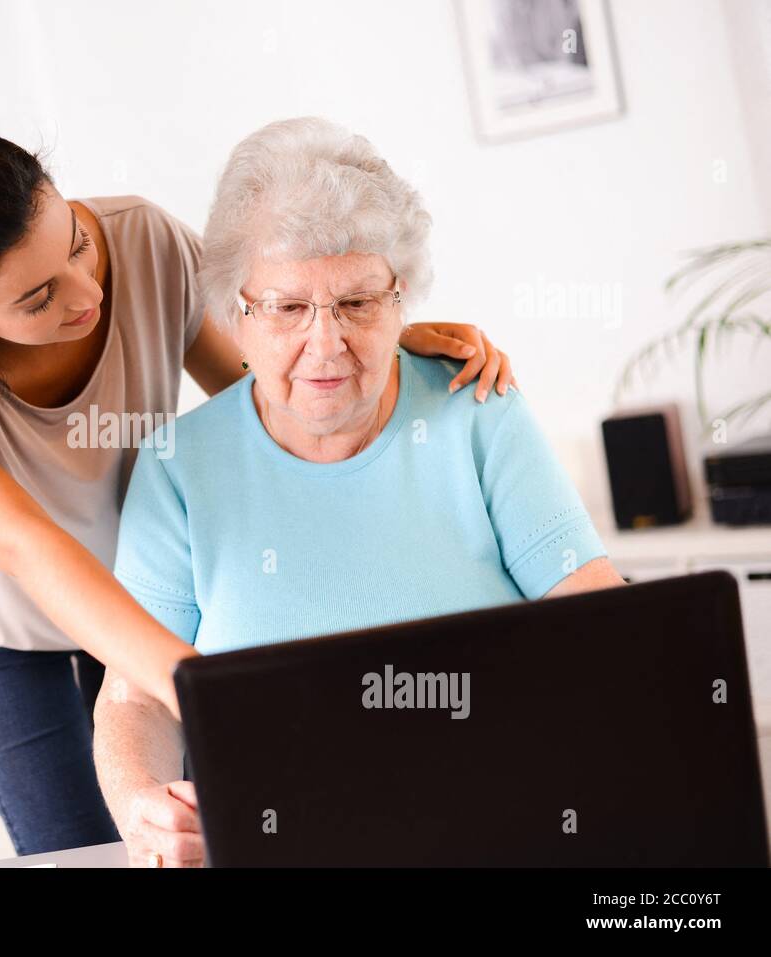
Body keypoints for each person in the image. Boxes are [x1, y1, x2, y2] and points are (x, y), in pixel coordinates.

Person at [0, 122, 517, 855]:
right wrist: (220, 691)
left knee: (195, 828)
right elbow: (33, 551)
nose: (88, 290)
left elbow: (262, 384)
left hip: (147, 578)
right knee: (78, 845)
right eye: (37, 297)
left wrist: (357, 338)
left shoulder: (144, 239)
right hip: (9, 634)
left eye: (77, 242)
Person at [94, 116, 624, 867]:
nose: (326, 342)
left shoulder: (475, 406)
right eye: (287, 307)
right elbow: (136, 694)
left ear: (401, 299)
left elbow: (590, 606)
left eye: (357, 302)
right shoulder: (179, 465)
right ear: (233, 315)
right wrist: (139, 799)